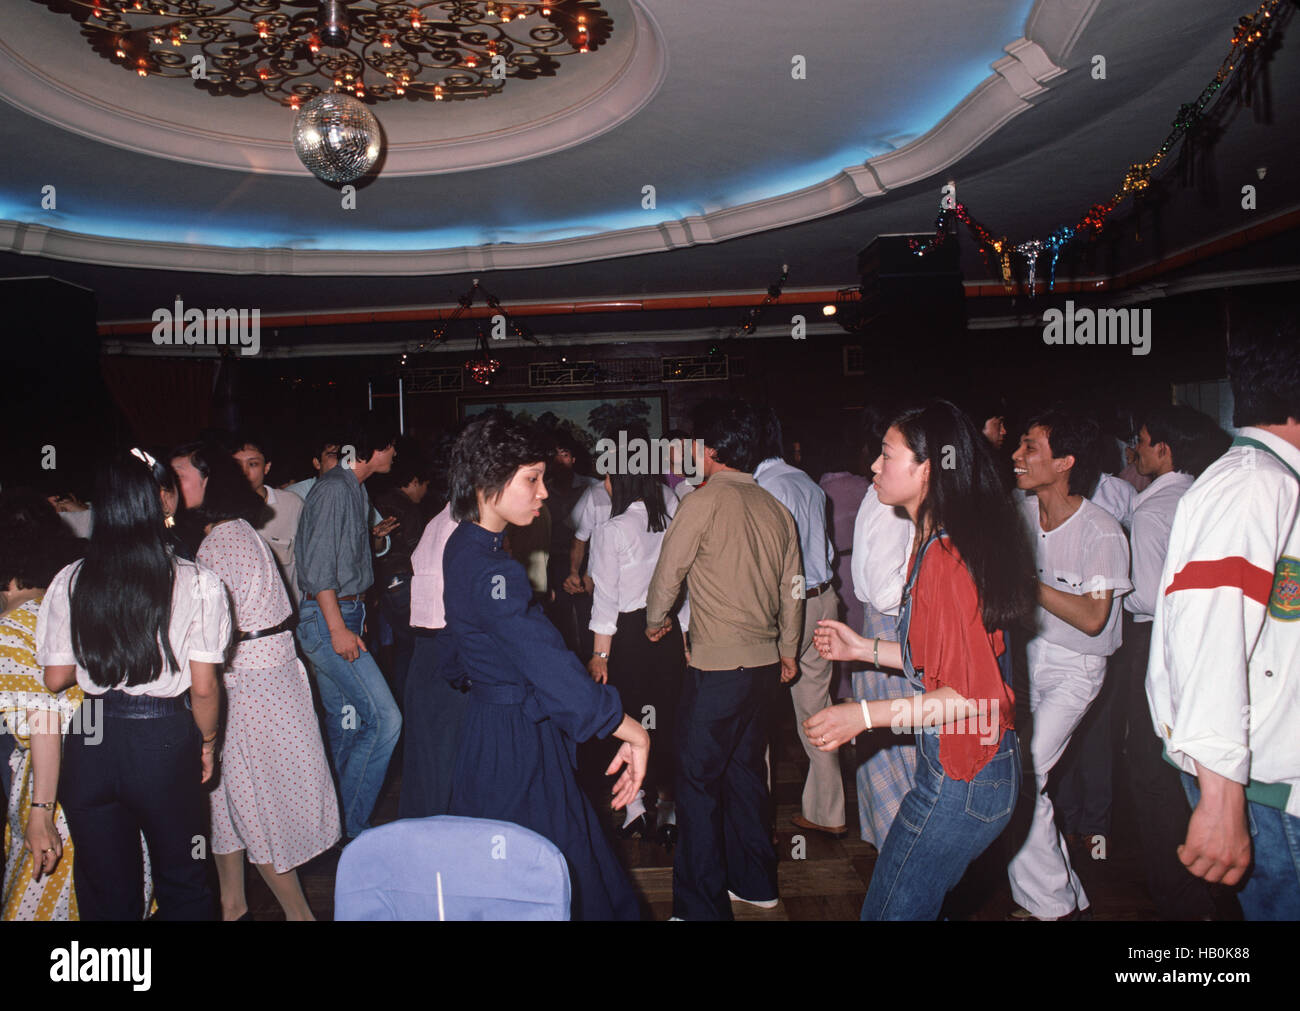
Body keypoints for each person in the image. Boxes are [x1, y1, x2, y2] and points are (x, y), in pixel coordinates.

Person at [806, 401, 1033, 920]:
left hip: (965, 780)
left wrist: (862, 716)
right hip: (969, 772)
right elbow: (937, 664)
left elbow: (971, 697)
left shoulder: (946, 559)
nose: (874, 466)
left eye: (888, 455)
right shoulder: (933, 543)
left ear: (927, 468)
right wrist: (861, 649)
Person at [436, 413, 649, 921]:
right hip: (515, 740)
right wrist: (632, 730)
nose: (543, 493)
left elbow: (457, 653)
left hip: (492, 730)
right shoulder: (493, 567)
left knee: (520, 875)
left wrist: (491, 679)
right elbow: (550, 667)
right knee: (566, 872)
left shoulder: (462, 545)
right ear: (489, 480)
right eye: (531, 480)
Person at [1147, 317, 1300, 919]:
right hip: (1263, 789)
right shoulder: (1254, 485)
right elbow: (1211, 636)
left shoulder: (1269, 481)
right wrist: (1221, 796)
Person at [35, 450, 227, 920]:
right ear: (155, 502)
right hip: (162, 737)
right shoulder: (197, 581)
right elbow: (203, 688)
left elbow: (56, 678)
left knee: (105, 894)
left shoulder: (72, 578)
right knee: (184, 882)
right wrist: (207, 741)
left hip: (92, 735)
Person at [646, 399, 802, 921]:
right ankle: (755, 884)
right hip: (764, 671)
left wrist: (653, 620)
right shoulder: (777, 508)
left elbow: (669, 572)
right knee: (744, 777)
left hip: (716, 671)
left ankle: (698, 908)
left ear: (709, 450)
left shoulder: (704, 501)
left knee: (695, 785)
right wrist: (787, 651)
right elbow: (793, 590)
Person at [189, 446, 340, 921]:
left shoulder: (219, 543)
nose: (171, 490)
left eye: (182, 477)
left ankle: (300, 916)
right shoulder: (235, 532)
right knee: (229, 803)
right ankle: (233, 907)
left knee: (256, 807)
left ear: (210, 484)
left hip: (249, 685)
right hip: (265, 676)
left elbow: (205, 638)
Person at [1006, 408, 1131, 921]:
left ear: (1065, 463)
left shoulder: (1101, 532)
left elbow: (1093, 616)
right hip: (1028, 656)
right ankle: (1066, 892)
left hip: (1076, 669)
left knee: (1024, 774)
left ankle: (1051, 905)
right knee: (1015, 773)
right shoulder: (1016, 512)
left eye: (1030, 447)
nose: (1016, 455)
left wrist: (1025, 583)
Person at [1118, 404, 1226, 920]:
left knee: (1149, 770)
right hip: (1197, 643)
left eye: (1141, 440)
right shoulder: (1200, 497)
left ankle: (1178, 896)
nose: (1134, 449)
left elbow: (1150, 596)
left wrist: (1108, 590)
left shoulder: (1152, 509)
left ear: (1165, 449)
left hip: (1153, 641)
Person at [294, 417, 402, 840]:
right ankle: (353, 828)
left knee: (347, 727)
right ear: (375, 449)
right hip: (329, 619)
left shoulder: (353, 489)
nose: (395, 454)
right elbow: (319, 570)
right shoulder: (336, 489)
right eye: (391, 446)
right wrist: (339, 628)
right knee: (386, 720)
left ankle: (327, 828)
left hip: (343, 615)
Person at [587, 447, 688, 845]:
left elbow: (605, 602)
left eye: (608, 477)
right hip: (665, 629)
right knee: (668, 718)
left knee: (631, 721)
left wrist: (599, 655)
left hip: (628, 637)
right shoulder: (673, 513)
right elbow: (687, 581)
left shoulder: (612, 530)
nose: (604, 485)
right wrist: (682, 633)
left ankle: (635, 809)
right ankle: (669, 809)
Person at [754, 406, 844, 839]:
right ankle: (827, 812)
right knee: (817, 709)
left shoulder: (761, 490)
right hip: (824, 599)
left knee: (759, 713)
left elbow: (766, 566)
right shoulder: (805, 480)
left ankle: (758, 818)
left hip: (788, 606)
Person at [0, 500, 86, 919]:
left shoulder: (9, 631)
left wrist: (40, 813)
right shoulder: (67, 609)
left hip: (53, 789)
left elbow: (44, 721)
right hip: (100, 771)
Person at [848, 404, 917, 849]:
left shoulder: (883, 497)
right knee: (899, 756)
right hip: (890, 627)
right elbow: (884, 589)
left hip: (882, 632)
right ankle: (905, 855)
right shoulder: (887, 501)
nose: (875, 465)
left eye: (885, 455)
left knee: (893, 753)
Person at [397, 498, 465, 819]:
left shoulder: (439, 520)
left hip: (427, 650)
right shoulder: (463, 526)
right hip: (448, 649)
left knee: (427, 760)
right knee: (445, 761)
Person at [373, 450, 431, 709]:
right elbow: (416, 551)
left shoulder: (378, 501)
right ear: (416, 481)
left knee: (397, 646)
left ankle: (401, 699)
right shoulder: (409, 509)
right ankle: (413, 702)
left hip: (382, 582)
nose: (425, 494)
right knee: (415, 644)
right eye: (425, 486)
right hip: (403, 581)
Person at [231, 433, 304, 599]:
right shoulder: (217, 512)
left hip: (287, 614)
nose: (244, 472)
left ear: (267, 467)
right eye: (236, 465)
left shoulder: (292, 504)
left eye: (253, 464)